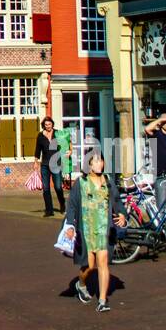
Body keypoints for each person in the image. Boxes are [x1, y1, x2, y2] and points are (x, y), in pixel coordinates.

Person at [61, 150, 127, 313]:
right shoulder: (81, 182)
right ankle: (81, 283)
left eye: (101, 161)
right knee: (89, 266)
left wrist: (122, 214)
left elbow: (117, 201)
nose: (99, 164)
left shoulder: (109, 181)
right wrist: (70, 226)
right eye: (95, 161)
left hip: (104, 229)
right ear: (88, 164)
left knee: (103, 263)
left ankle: (103, 301)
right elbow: (72, 206)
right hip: (86, 230)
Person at [34, 116, 66, 217]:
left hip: (56, 164)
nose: (48, 126)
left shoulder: (58, 134)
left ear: (52, 124)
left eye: (49, 124)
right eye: (46, 125)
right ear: (43, 125)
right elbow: (37, 150)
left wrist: (69, 152)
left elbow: (66, 144)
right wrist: (35, 162)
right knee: (46, 188)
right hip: (45, 165)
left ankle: (62, 205)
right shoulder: (40, 136)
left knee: (57, 187)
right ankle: (49, 210)